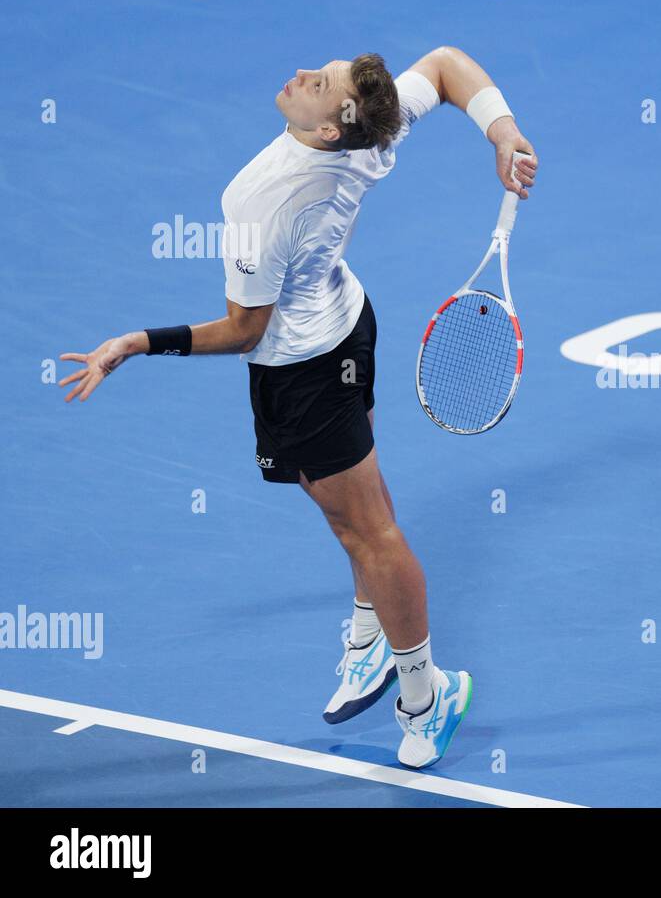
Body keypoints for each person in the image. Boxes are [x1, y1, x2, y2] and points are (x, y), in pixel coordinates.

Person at [58, 47, 538, 769]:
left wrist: (138, 342)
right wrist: (503, 132)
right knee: (356, 515)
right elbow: (443, 67)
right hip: (348, 325)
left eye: (319, 84)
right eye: (322, 70)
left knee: (368, 531)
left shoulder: (263, 202)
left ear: (327, 130)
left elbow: (245, 330)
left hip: (307, 373)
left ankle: (427, 694)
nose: (303, 75)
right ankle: (370, 632)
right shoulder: (368, 136)